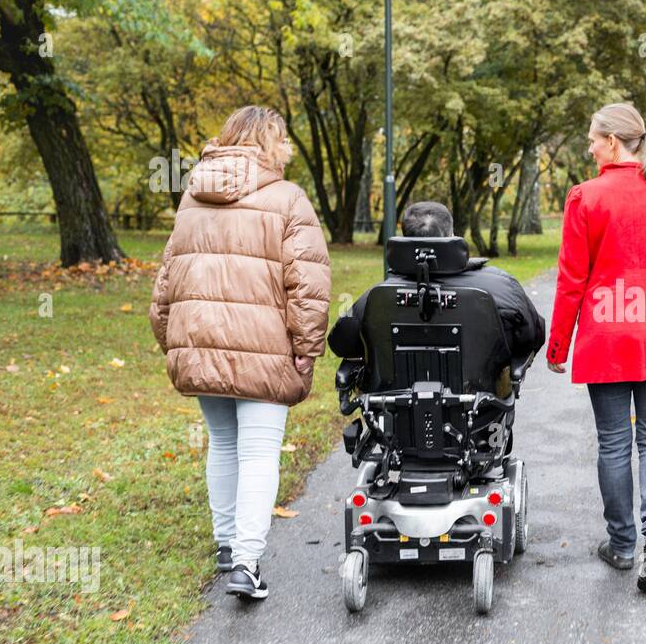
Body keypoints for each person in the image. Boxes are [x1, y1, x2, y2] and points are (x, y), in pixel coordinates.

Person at [149, 106, 331, 601]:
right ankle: (246, 562)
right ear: (270, 144)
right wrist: (307, 348)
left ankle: (228, 546)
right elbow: (308, 286)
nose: (289, 148)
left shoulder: (191, 197)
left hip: (201, 343)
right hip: (263, 350)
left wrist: (169, 335)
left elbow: (167, 277)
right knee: (257, 452)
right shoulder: (289, 199)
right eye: (284, 139)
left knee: (223, 445)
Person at [547, 102, 646, 594]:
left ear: (613, 141)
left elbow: (572, 280)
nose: (589, 148)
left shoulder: (585, 197)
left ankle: (622, 544)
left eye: (593, 139)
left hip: (606, 336)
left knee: (614, 442)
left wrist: (558, 344)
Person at [327, 201, 545, 387]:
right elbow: (532, 335)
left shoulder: (376, 297)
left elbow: (341, 343)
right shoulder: (500, 286)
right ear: (452, 236)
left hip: (395, 419)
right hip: (479, 412)